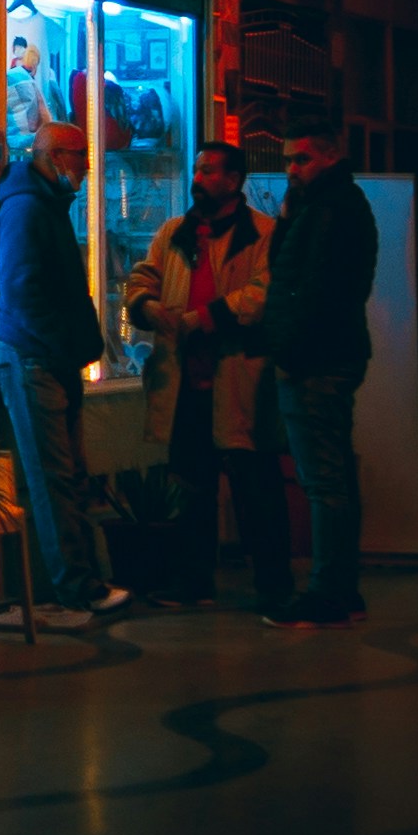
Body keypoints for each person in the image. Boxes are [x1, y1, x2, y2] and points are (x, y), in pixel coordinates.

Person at [126, 140, 293, 615]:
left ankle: (273, 585)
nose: (198, 179)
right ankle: (194, 581)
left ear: (234, 181)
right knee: (192, 490)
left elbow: (264, 293)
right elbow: (142, 279)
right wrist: (148, 307)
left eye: (209, 171)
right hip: (185, 384)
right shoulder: (175, 232)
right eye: (197, 170)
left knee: (255, 488)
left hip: (238, 380)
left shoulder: (262, 233)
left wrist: (207, 317)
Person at [0, 120, 131, 625]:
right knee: (54, 478)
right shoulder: (28, 210)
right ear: (53, 156)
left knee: (65, 475)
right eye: (79, 155)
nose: (87, 165)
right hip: (35, 359)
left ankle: (75, 580)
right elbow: (23, 292)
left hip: (48, 358)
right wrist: (60, 346)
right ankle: (75, 585)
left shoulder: (41, 206)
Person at [255, 123, 379, 627]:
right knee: (332, 476)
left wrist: (287, 350)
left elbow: (308, 288)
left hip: (315, 359)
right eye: (288, 160)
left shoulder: (328, 210)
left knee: (323, 479)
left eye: (301, 160)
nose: (291, 169)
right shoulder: (330, 205)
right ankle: (342, 588)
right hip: (331, 353)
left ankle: (327, 592)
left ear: (329, 158)